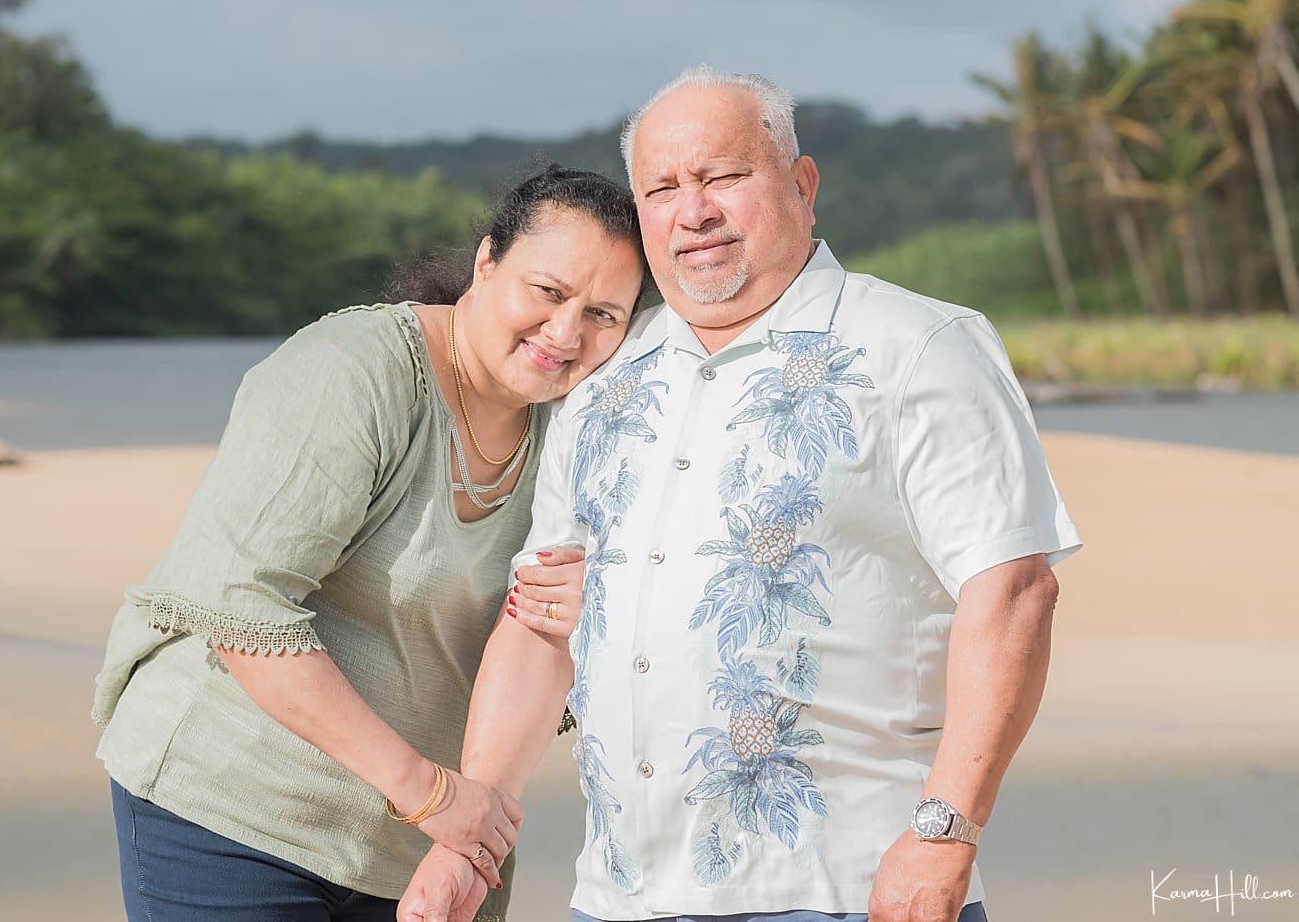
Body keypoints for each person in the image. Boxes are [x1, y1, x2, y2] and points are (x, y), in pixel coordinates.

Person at [400, 67, 1083, 922]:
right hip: (618, 898)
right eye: (662, 188)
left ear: (801, 185)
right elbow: (539, 627)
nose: (694, 210)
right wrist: (467, 843)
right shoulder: (603, 375)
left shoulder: (920, 345)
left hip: (848, 891)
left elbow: (1014, 592)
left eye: (723, 176)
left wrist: (946, 834)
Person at [90, 165, 648, 922]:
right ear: (487, 262)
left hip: (427, 847)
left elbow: (549, 655)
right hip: (233, 808)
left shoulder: (582, 434)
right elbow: (239, 601)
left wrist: (601, 606)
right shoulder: (356, 370)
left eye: (604, 315)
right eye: (548, 293)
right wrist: (430, 793)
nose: (566, 334)